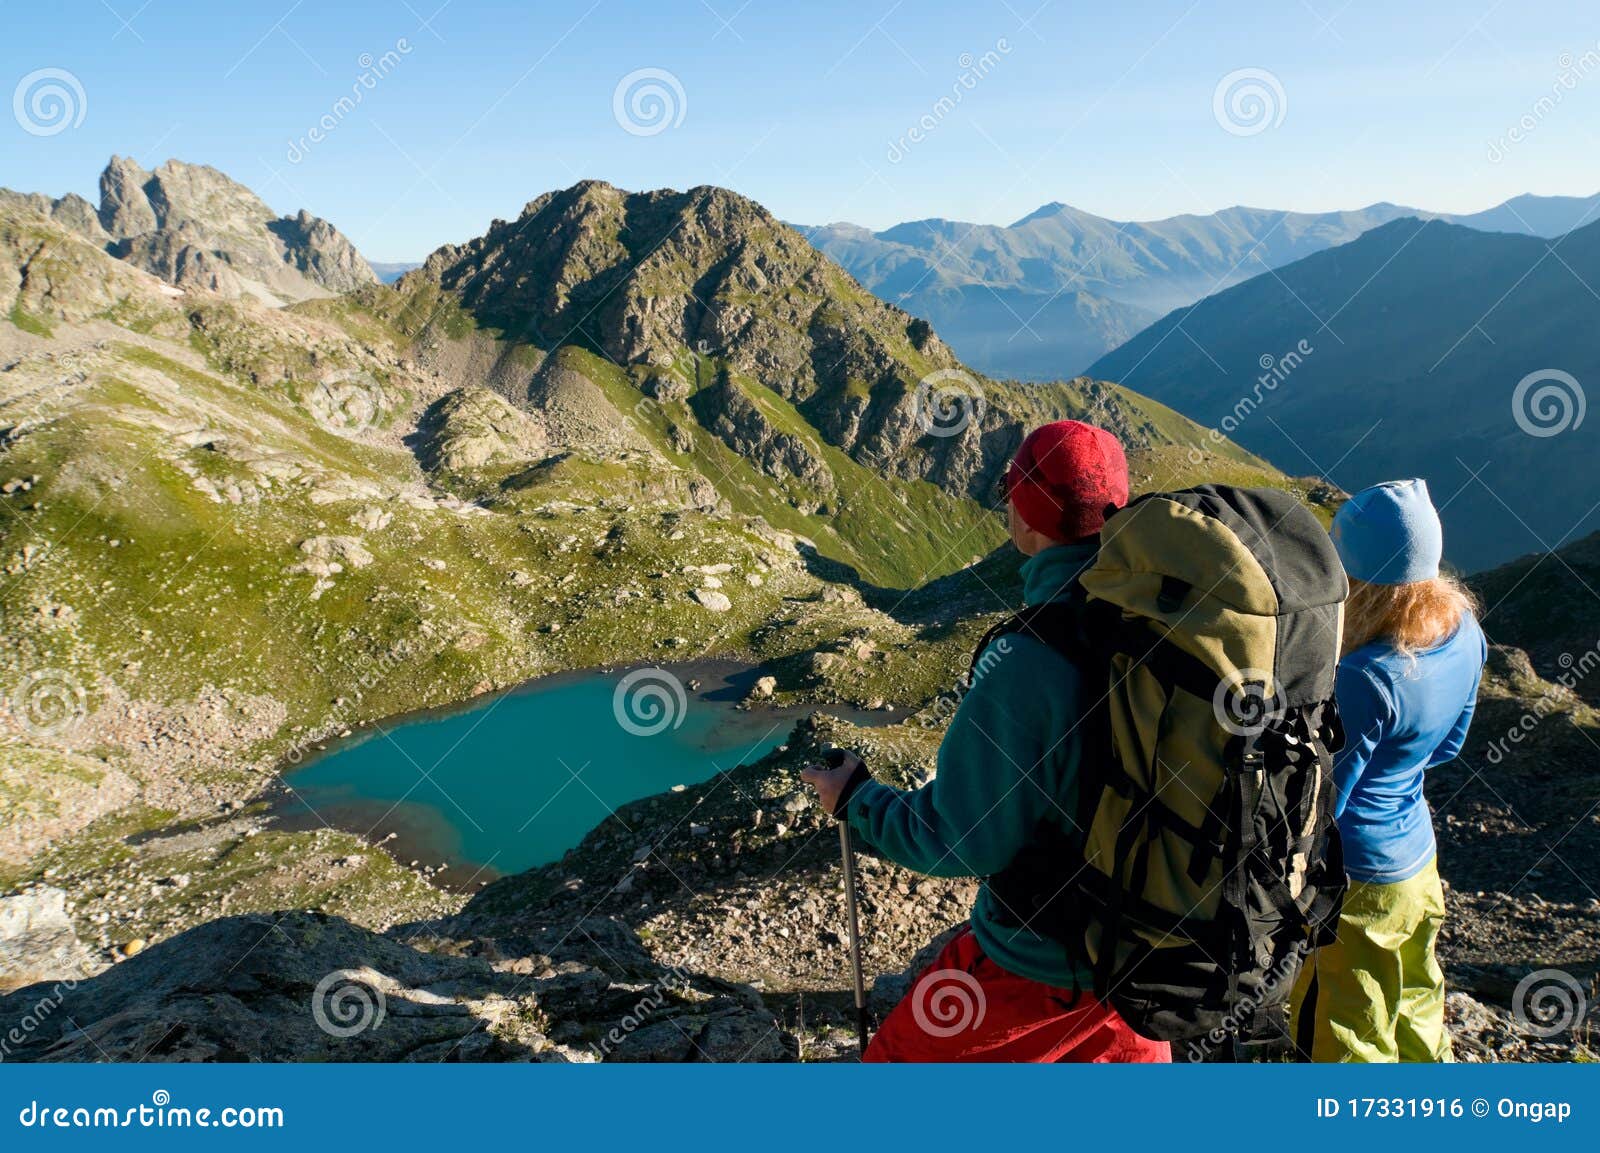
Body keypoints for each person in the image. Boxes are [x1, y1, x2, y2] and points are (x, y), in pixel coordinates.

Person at [801, 420, 1170, 1063]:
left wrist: (857, 798)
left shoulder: (1029, 661)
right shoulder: (1167, 615)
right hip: (1149, 969)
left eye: (1012, 493)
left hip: (1039, 967)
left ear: (1026, 521)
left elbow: (961, 837)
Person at [1290, 478, 1486, 1062]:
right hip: (1417, 863)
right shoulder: (1463, 632)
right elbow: (1447, 747)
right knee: (1417, 1004)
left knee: (1346, 1031)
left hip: (1357, 880)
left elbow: (1327, 798)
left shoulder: (1366, 675)